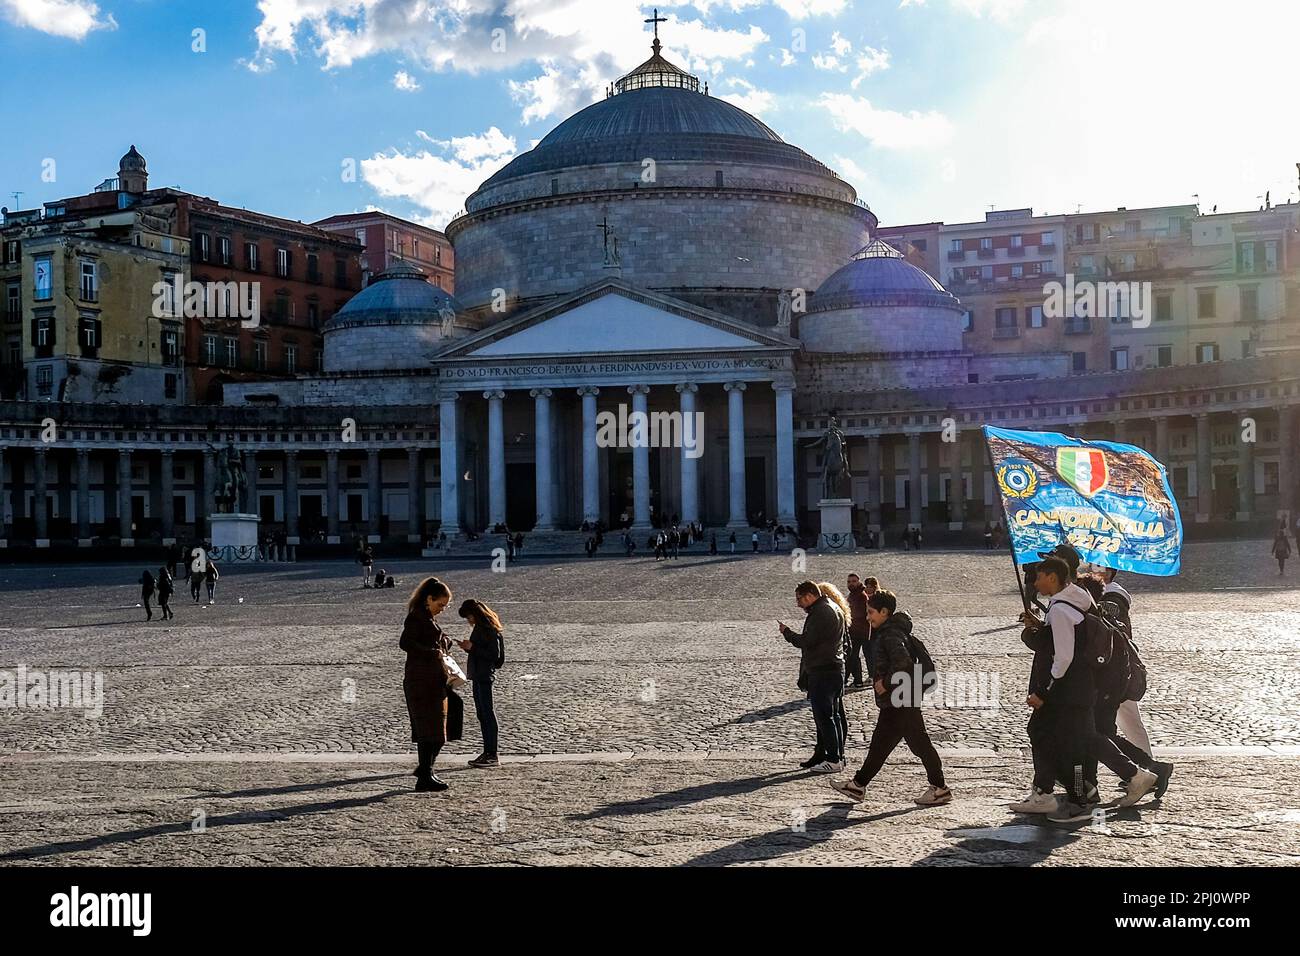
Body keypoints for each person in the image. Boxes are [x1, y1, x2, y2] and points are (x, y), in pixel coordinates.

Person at [830, 588, 951, 807]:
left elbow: (903, 663)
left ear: (884, 612)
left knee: (917, 744)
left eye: (871, 612)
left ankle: (939, 788)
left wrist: (884, 684)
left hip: (900, 698)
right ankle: (858, 785)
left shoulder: (890, 634)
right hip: (902, 697)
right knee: (883, 744)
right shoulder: (892, 631)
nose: (868, 617)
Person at [1022, 556, 1104, 823]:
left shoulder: (1058, 610)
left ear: (1053, 578)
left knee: (1068, 747)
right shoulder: (1076, 598)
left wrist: (1045, 692)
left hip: (1068, 691)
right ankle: (1064, 791)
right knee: (1056, 739)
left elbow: (1064, 656)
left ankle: (1079, 800)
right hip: (1081, 687)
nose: (1036, 582)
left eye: (1039, 577)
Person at [779, 580, 847, 774]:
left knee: (825, 717)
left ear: (809, 595)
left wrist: (787, 633)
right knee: (833, 715)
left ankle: (833, 759)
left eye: (799, 599)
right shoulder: (833, 607)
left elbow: (807, 641)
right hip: (833, 668)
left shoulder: (821, 612)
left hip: (823, 670)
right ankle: (838, 757)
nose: (798, 603)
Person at [401, 577, 455, 792]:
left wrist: (446, 642)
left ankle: (425, 770)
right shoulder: (416, 618)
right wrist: (431, 652)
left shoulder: (428, 618)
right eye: (440, 604)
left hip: (434, 681)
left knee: (439, 731)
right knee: (429, 730)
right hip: (421, 681)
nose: (442, 609)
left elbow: (430, 640)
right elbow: (405, 643)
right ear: (428, 599)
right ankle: (425, 774)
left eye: (445, 606)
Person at [456, 599, 505, 768]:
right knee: (482, 714)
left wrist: (472, 648)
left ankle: (492, 754)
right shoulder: (483, 628)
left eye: (469, 617)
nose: (469, 621)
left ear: (474, 614)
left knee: (487, 714)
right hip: (479, 675)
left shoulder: (488, 629)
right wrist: (468, 647)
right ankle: (488, 752)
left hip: (484, 676)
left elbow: (495, 656)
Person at [844, 573, 872, 690]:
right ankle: (856, 680)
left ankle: (856, 681)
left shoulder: (861, 595)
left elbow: (859, 614)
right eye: (849, 581)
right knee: (853, 656)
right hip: (855, 630)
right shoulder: (853, 595)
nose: (851, 583)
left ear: (858, 582)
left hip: (859, 631)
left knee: (853, 656)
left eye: (853, 581)